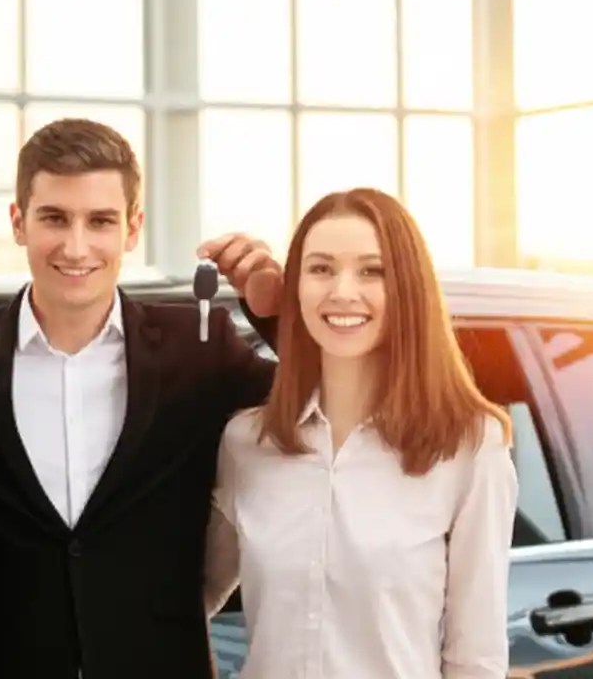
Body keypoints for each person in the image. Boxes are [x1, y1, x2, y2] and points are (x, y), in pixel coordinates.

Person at [0, 118, 280, 678]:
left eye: (100, 221)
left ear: (132, 229)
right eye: (54, 218)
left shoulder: (198, 351)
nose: (76, 246)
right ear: (19, 222)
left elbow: (328, 403)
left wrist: (275, 312)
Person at [203, 188, 519, 678]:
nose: (342, 292)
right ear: (297, 288)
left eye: (372, 271)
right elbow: (186, 602)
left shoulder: (470, 448)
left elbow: (475, 661)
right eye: (321, 269)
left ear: (408, 289)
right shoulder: (249, 444)